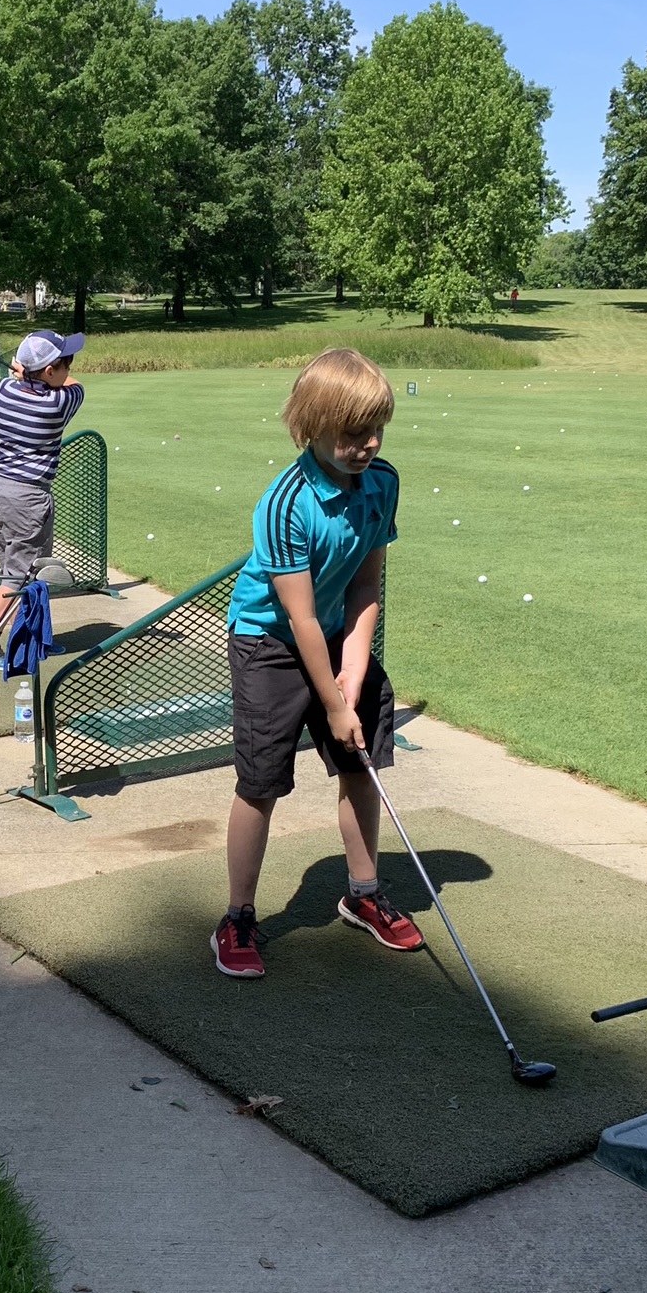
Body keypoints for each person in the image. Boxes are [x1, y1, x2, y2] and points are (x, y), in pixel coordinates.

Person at [210, 346, 422, 979]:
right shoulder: (284, 503)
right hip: (269, 644)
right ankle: (237, 917)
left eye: (377, 429)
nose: (370, 443)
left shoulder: (382, 482)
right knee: (261, 783)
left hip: (338, 636)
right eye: (355, 433)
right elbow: (298, 617)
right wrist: (330, 703)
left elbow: (364, 588)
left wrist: (352, 680)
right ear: (313, 426)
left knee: (361, 767)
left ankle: (363, 893)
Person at [0, 329, 85, 670]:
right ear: (49, 371)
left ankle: (32, 639)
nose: (70, 368)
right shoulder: (58, 403)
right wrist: (33, 375)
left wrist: (26, 376)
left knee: (29, 571)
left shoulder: (4, 391)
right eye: (65, 363)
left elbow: (39, 380)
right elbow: (74, 385)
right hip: (29, 498)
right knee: (18, 576)